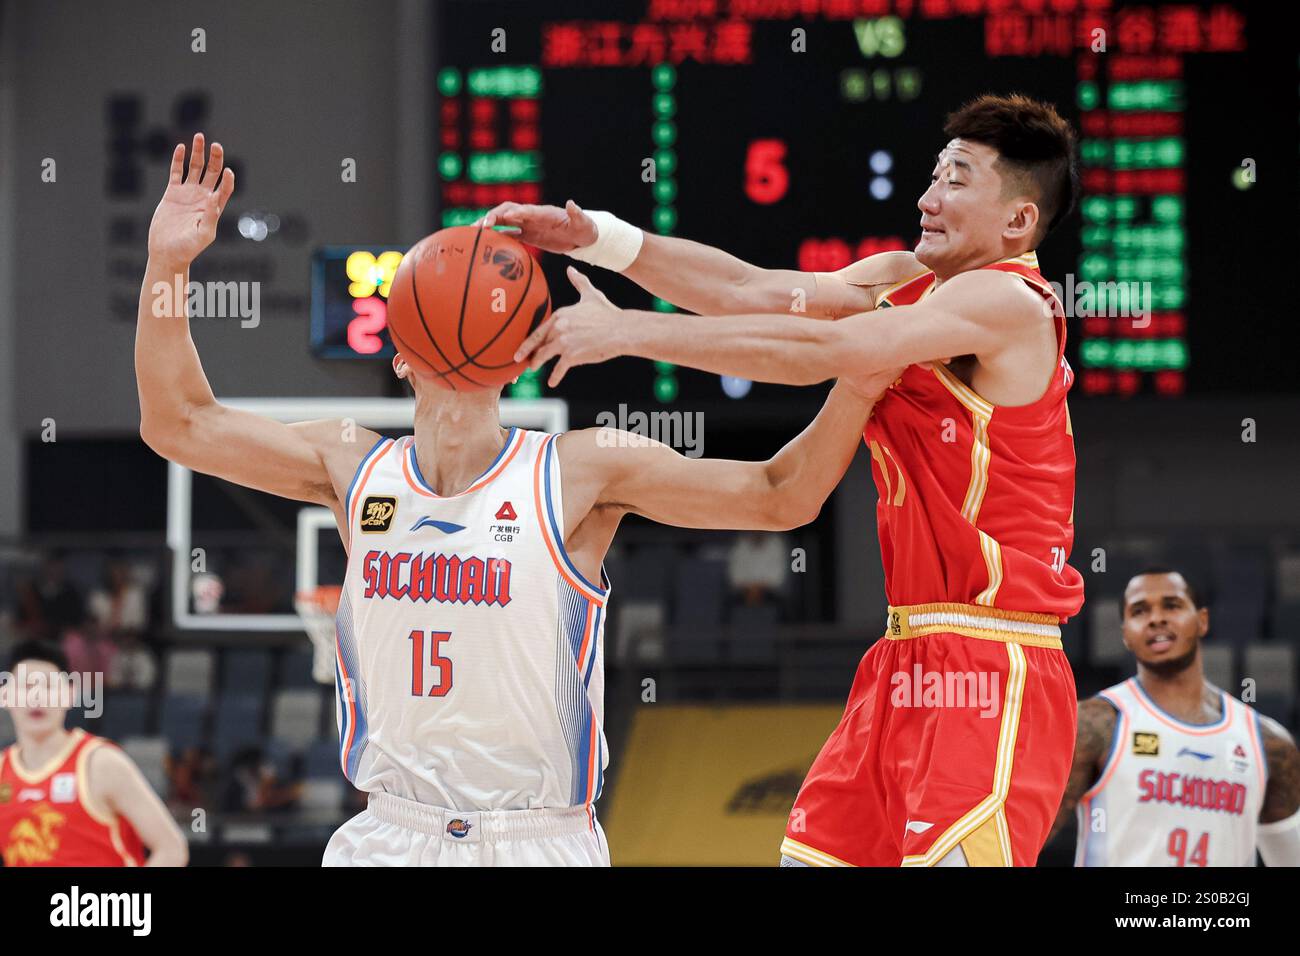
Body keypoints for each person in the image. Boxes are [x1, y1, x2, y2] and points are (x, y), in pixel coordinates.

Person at [134, 134, 901, 866]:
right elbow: (179, 423)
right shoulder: (352, 463)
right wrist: (167, 263)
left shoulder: (582, 469)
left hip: (538, 838)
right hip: (389, 835)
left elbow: (778, 495)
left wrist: (863, 375)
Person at [491, 93, 1085, 866]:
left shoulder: (1008, 300)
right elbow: (748, 289)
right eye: (934, 174)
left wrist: (630, 333)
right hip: (903, 655)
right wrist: (601, 238)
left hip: (994, 664)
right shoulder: (904, 279)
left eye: (957, 181)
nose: (926, 198)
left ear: (1017, 221)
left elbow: (812, 353)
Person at [1049, 569, 1300, 866]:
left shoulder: (1268, 743)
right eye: (1140, 611)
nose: (1156, 618)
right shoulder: (1096, 724)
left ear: (1202, 620)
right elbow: (1025, 841)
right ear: (1125, 634)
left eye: (1172, 605)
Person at [0, 641, 188, 866]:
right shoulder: (2, 771)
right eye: (26, 687)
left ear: (70, 695)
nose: (37, 697)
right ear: (5, 696)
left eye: (49, 687)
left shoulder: (101, 764)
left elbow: (172, 849)